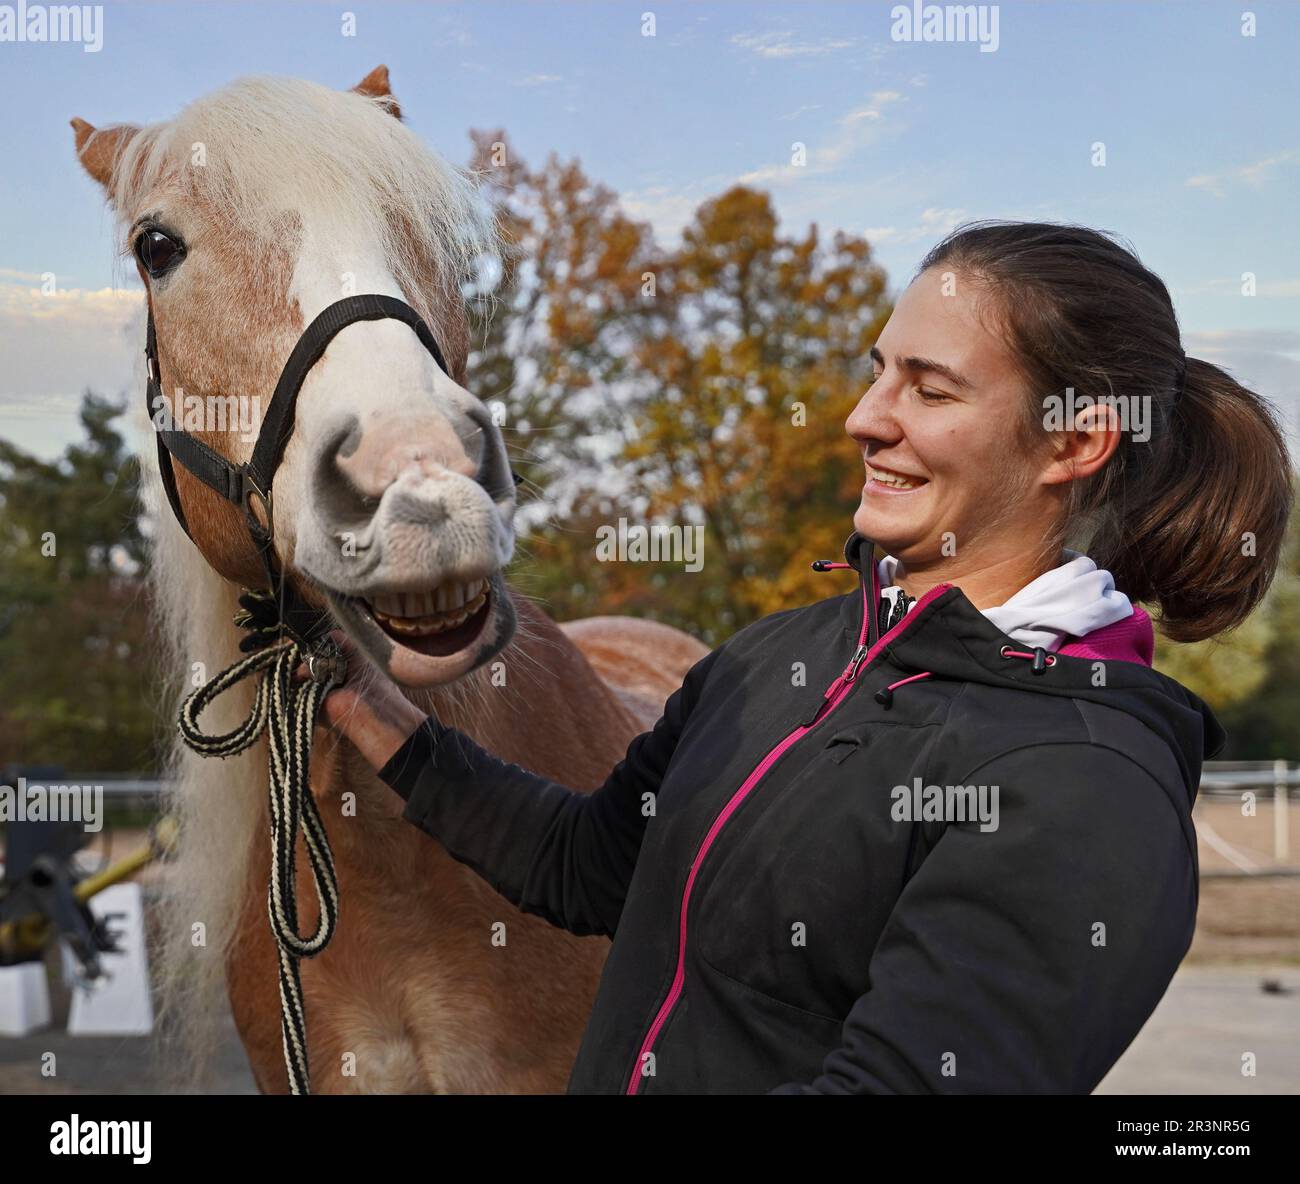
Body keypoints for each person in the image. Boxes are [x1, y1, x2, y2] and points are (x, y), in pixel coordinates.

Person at [310, 221, 1294, 1094]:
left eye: (929, 386)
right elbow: (590, 863)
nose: (866, 417)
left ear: (1074, 442)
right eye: (879, 369)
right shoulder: (784, 652)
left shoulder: (1084, 778)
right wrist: (378, 715)